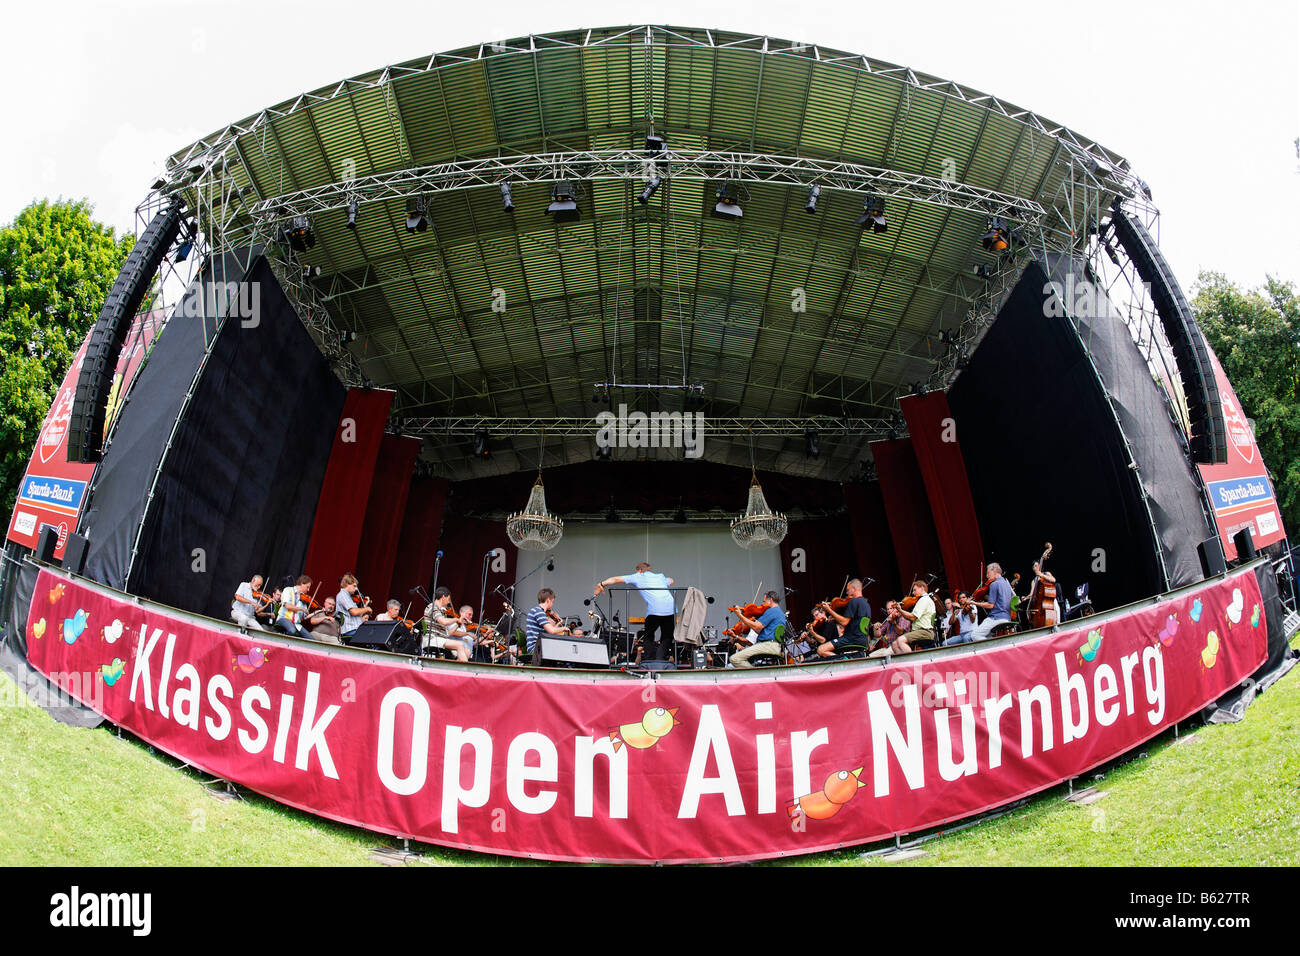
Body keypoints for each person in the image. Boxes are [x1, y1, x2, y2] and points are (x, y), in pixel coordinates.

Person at [596, 562, 675, 661]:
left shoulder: (638, 576)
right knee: (667, 636)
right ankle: (660, 659)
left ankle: (649, 660)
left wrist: (602, 584)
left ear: (639, 570)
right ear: (649, 570)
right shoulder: (660, 576)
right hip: (670, 609)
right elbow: (671, 580)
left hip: (655, 610)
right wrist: (664, 581)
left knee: (648, 635)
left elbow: (616, 579)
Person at [953, 563, 1014, 644]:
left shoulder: (994, 584)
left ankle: (993, 648)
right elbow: (1001, 600)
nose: (987, 576)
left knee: (974, 635)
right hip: (1007, 617)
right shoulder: (1007, 584)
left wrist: (974, 603)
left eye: (988, 573)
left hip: (996, 618)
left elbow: (990, 605)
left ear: (994, 571)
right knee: (988, 636)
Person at [816, 578, 873, 658]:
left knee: (821, 650)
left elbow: (844, 622)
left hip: (851, 639)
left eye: (848, 590)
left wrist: (829, 610)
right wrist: (835, 618)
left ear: (854, 589)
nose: (847, 593)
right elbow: (856, 623)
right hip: (862, 640)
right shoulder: (866, 604)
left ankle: (844, 660)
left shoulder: (854, 601)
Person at [729, 591, 788, 668]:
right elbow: (757, 630)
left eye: (764, 601)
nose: (763, 604)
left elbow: (757, 627)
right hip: (776, 646)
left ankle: (756, 675)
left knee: (734, 659)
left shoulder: (772, 611)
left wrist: (740, 615)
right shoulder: (780, 613)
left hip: (767, 645)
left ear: (770, 600)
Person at [525, 587, 582, 660]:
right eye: (552, 602)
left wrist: (559, 623)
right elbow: (551, 630)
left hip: (539, 647)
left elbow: (549, 632)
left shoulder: (536, 610)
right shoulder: (539, 612)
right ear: (548, 600)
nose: (552, 604)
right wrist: (564, 628)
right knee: (566, 652)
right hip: (536, 649)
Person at [425, 586, 472, 662]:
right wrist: (456, 619)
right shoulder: (433, 607)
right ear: (443, 597)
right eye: (448, 599)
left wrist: (458, 624)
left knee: (467, 651)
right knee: (460, 645)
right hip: (432, 638)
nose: (449, 602)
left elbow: (447, 634)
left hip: (440, 638)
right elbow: (443, 621)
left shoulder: (441, 612)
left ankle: (456, 671)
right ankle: (466, 671)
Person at [894, 580, 937, 653]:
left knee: (900, 640)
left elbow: (913, 617)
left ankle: (910, 662)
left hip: (924, 631)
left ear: (922, 588)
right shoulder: (923, 600)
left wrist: (900, 610)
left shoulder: (924, 600)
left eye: (914, 590)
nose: (913, 593)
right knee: (895, 644)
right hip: (920, 631)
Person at [335, 574, 373, 639]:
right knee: (372, 638)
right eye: (354, 586)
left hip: (355, 629)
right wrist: (366, 609)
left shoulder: (348, 597)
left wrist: (362, 619)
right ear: (347, 584)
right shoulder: (343, 595)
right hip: (350, 630)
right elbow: (354, 612)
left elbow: (352, 615)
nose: (356, 589)